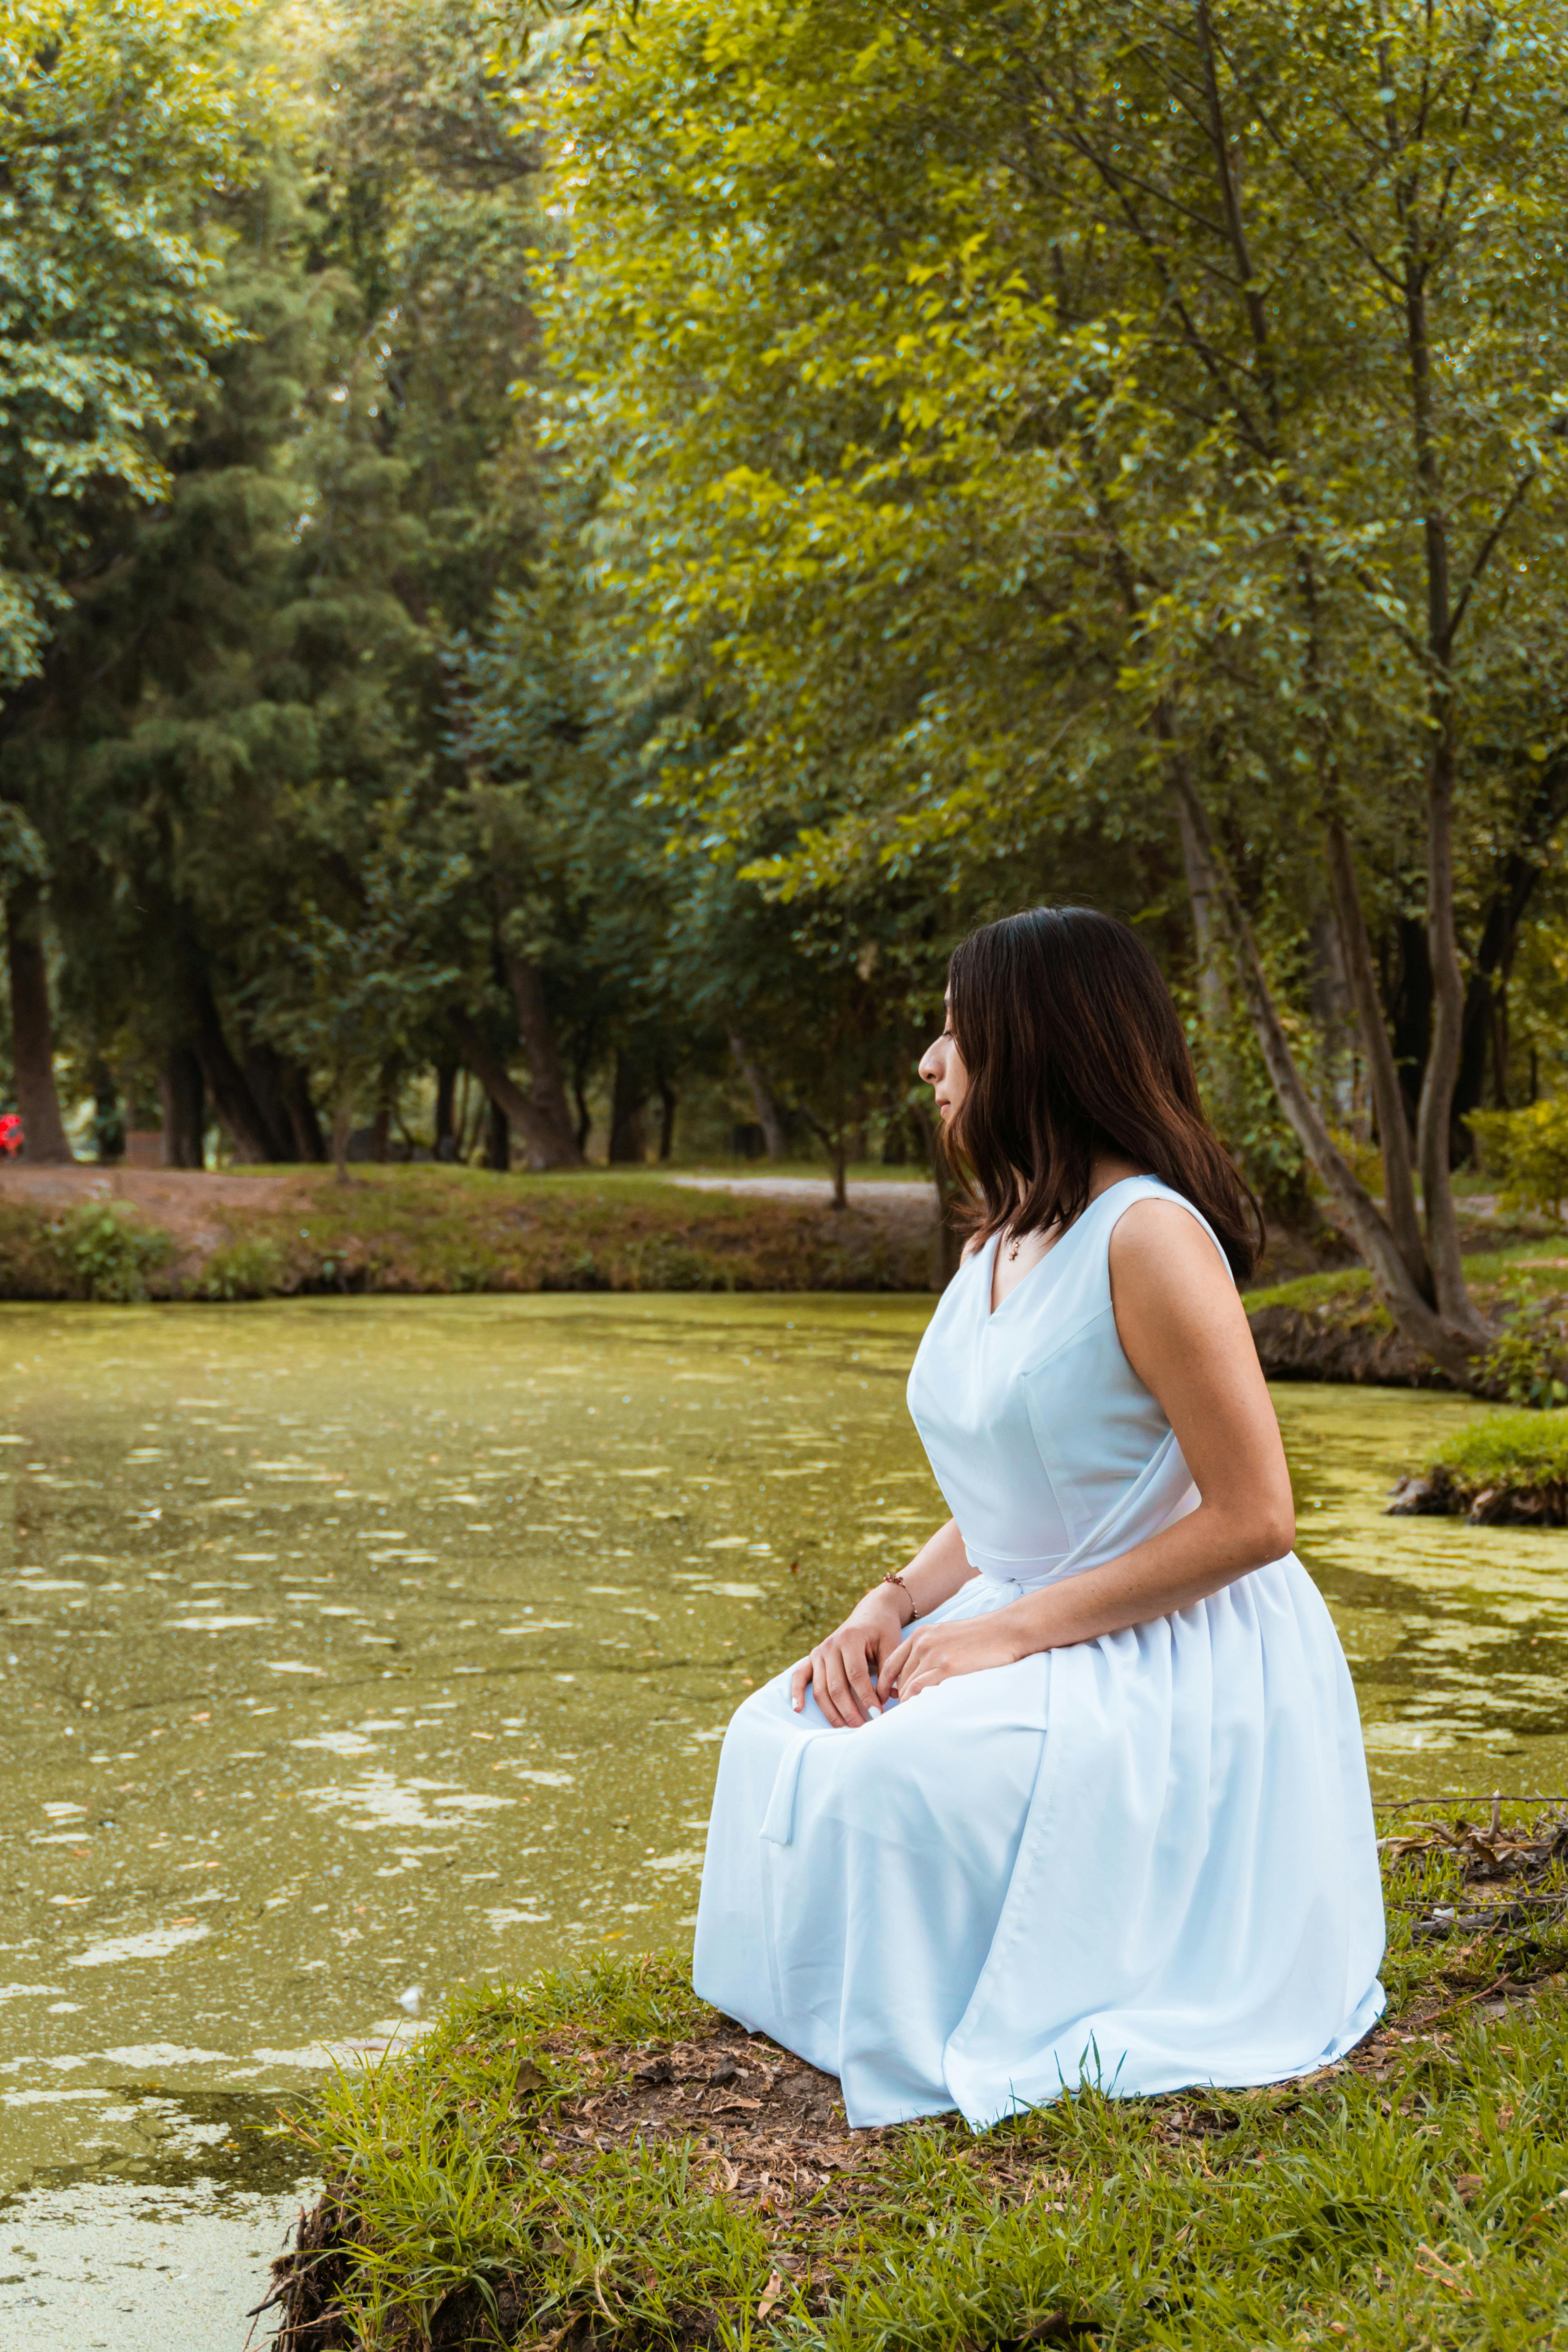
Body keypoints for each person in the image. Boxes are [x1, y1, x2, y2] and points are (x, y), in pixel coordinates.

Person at [692, 905, 1385, 2131]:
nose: (929, 1059)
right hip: (1021, 1608)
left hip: (1174, 1645)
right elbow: (1005, 1495)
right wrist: (894, 1602)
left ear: (1032, 1045)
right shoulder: (1001, 1238)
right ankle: (840, 2005)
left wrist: (1011, 1636)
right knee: (780, 1732)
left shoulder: (1153, 1237)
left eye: (954, 1030)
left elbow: (1258, 1516)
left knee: (892, 1782)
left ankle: (962, 2009)